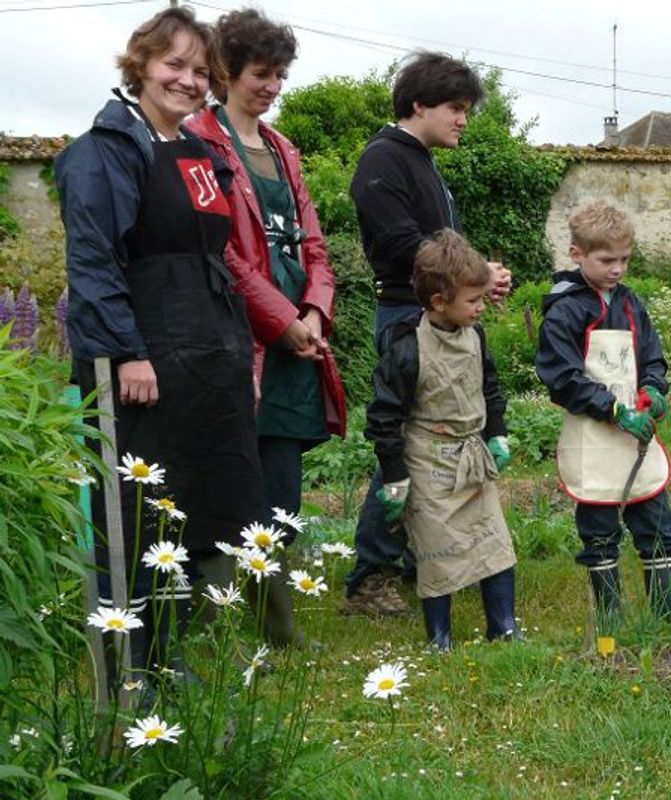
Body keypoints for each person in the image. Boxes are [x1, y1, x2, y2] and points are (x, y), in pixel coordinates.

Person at [56, 6, 263, 685]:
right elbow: (93, 262)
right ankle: (134, 660)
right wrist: (127, 351)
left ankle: (179, 648)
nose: (187, 80)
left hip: (206, 360)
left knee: (198, 500)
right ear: (140, 63)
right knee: (141, 512)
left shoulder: (202, 154)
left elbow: (219, 259)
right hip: (144, 362)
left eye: (200, 71)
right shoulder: (105, 151)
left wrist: (241, 356)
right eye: (174, 64)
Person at [188, 8, 347, 647]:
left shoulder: (284, 151)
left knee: (280, 482)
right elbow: (219, 249)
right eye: (261, 73)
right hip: (239, 338)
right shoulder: (199, 140)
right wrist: (280, 320)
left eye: (280, 75)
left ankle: (276, 629)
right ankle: (210, 622)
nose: (273, 86)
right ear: (226, 72)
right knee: (224, 476)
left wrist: (312, 311)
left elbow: (313, 244)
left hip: (294, 344)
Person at [343, 50, 511, 616]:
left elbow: (442, 251)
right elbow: (400, 245)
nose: (464, 119)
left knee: (441, 441)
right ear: (418, 104)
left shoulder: (422, 161)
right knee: (407, 447)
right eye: (454, 108)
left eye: (467, 109)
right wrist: (473, 275)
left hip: (441, 320)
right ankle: (371, 576)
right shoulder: (383, 160)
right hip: (406, 322)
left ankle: (427, 559)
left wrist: (482, 278)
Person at [365, 230, 516, 651]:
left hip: (473, 457)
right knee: (437, 552)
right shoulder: (407, 349)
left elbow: (490, 388)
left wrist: (497, 433)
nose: (481, 307)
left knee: (495, 543)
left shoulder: (475, 337)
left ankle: (503, 627)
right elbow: (384, 415)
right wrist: (395, 477)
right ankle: (440, 639)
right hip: (428, 462)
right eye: (473, 300)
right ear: (438, 302)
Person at [535, 202, 671, 628]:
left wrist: (654, 388)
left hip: (637, 436)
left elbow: (652, 356)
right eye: (606, 260)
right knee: (600, 534)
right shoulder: (564, 310)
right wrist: (613, 409)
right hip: (593, 438)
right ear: (577, 254)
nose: (617, 269)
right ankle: (611, 625)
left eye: (624, 260)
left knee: (659, 528)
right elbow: (561, 377)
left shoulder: (632, 303)